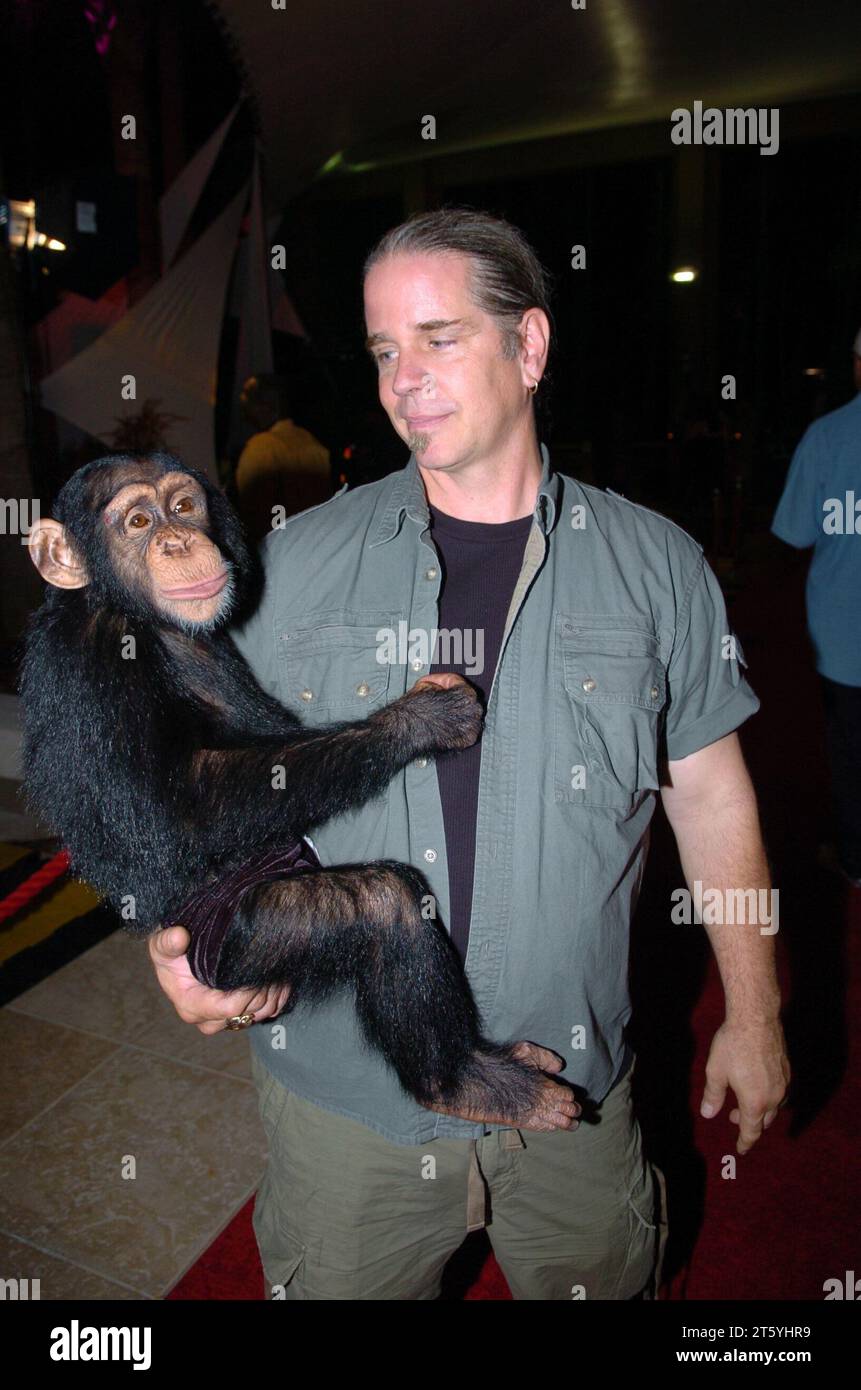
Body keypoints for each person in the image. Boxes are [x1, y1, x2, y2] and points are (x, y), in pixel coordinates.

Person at [148, 209, 789, 1300]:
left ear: (529, 347)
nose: (405, 378)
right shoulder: (295, 566)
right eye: (387, 349)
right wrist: (177, 932)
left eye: (439, 338)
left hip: (570, 1084)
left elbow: (712, 796)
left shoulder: (658, 567)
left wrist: (756, 1008)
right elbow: (194, 772)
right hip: (351, 1103)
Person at [771, 330, 861, 887]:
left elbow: (795, 532)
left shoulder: (828, 437)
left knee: (850, 750)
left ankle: (856, 860)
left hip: (844, 635)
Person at [235, 374, 331, 541]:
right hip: (317, 540)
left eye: (249, 406)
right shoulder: (310, 441)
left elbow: (257, 514)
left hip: (279, 547)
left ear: (266, 406)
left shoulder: (261, 447)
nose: (245, 415)